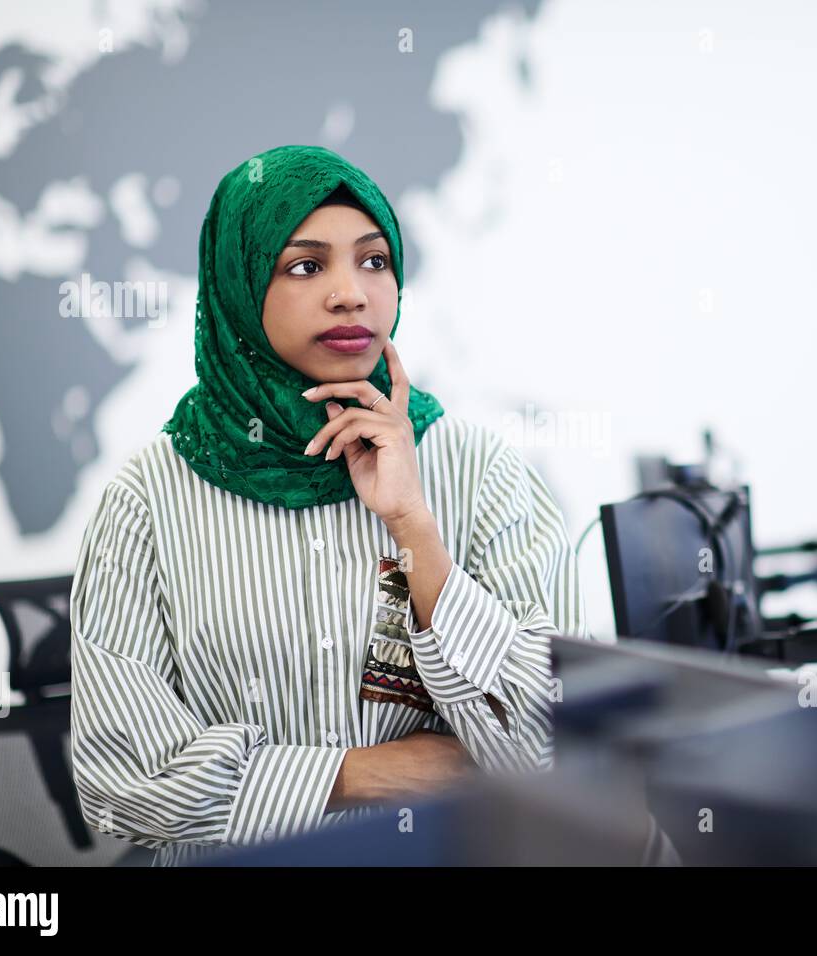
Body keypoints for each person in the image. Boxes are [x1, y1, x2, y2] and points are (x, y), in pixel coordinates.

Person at [68, 144, 591, 866]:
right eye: (306, 266)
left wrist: (415, 529)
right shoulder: (148, 499)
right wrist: (357, 775)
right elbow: (120, 781)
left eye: (374, 261)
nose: (352, 293)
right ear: (239, 284)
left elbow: (554, 743)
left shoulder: (482, 471)